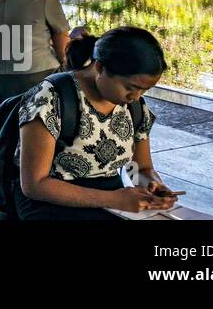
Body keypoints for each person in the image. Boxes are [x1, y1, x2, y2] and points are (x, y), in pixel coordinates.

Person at [15, 26, 175, 220]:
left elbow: (141, 168)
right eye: (130, 87)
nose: (136, 96)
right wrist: (112, 199)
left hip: (112, 196)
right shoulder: (51, 98)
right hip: (51, 201)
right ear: (99, 67)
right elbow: (35, 184)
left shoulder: (133, 106)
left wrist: (154, 185)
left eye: (144, 90)